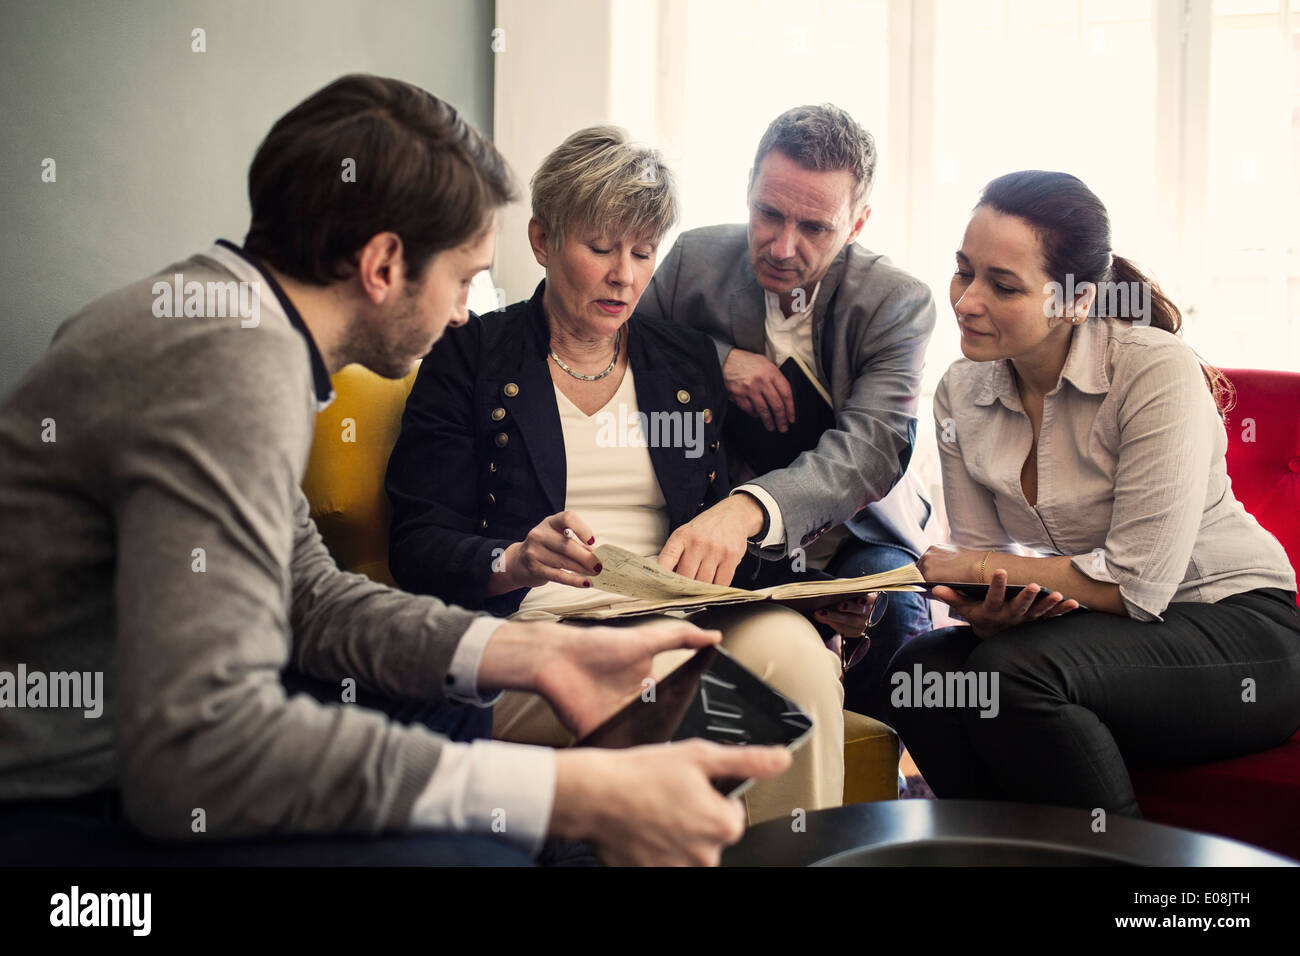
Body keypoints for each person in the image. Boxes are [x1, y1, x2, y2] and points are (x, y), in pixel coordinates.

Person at [0, 75, 794, 868]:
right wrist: (561, 791)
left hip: (128, 755)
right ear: (384, 265)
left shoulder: (220, 318)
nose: (463, 311)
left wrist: (532, 655)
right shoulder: (229, 370)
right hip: (64, 803)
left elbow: (309, 594)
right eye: (463, 278)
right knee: (487, 855)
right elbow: (201, 752)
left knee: (454, 703)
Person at [387, 126, 866, 825]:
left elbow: (719, 522)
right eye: (601, 248)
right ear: (543, 241)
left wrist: (816, 595)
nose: (625, 276)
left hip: (675, 616)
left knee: (798, 657)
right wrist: (514, 561)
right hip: (534, 635)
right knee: (729, 704)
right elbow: (417, 545)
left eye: (643, 252)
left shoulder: (683, 362)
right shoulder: (470, 356)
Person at [887, 170, 1300, 817]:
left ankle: (1127, 871)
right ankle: (1001, 854)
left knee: (1011, 674)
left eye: (1003, 286)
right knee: (922, 673)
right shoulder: (961, 391)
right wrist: (989, 607)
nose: (966, 301)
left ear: (1077, 300)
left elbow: (1136, 585)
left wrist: (979, 568)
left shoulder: (1152, 368)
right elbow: (983, 564)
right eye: (963, 271)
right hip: (1107, 630)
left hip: (1242, 630)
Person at [636, 104, 938, 720]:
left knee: (895, 613)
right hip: (720, 526)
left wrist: (748, 511)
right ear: (749, 187)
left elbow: (872, 449)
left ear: (857, 223)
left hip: (856, 533)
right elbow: (628, 350)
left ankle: (863, 769)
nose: (781, 246)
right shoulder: (693, 261)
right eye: (768, 213)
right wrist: (717, 361)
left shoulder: (898, 302)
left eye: (815, 228)